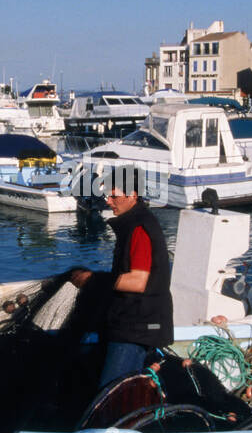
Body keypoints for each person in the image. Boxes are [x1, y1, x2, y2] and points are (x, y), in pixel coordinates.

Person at [70, 165, 174, 388]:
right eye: (107, 195)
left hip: (136, 328)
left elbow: (138, 282)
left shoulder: (139, 229)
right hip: (136, 323)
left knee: (112, 391)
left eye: (114, 196)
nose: (108, 201)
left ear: (132, 195)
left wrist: (93, 281)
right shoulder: (134, 223)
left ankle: (113, 423)